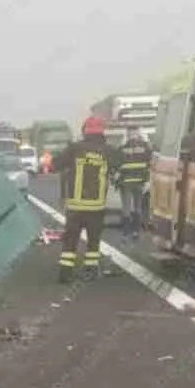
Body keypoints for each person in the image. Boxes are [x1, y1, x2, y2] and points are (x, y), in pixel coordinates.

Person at [51, 116, 120, 283]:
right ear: (102, 131)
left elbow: (56, 164)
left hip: (75, 206)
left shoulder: (74, 149)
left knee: (70, 240)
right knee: (93, 241)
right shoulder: (108, 151)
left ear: (85, 130)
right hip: (96, 207)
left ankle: (65, 273)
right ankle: (90, 271)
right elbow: (119, 166)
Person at [114, 126, 152, 239]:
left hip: (125, 183)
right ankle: (136, 231)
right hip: (139, 182)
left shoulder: (122, 148)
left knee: (126, 208)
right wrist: (147, 180)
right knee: (138, 207)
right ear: (139, 134)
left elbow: (116, 165)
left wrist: (116, 180)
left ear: (127, 134)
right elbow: (149, 162)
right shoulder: (145, 147)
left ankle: (126, 232)